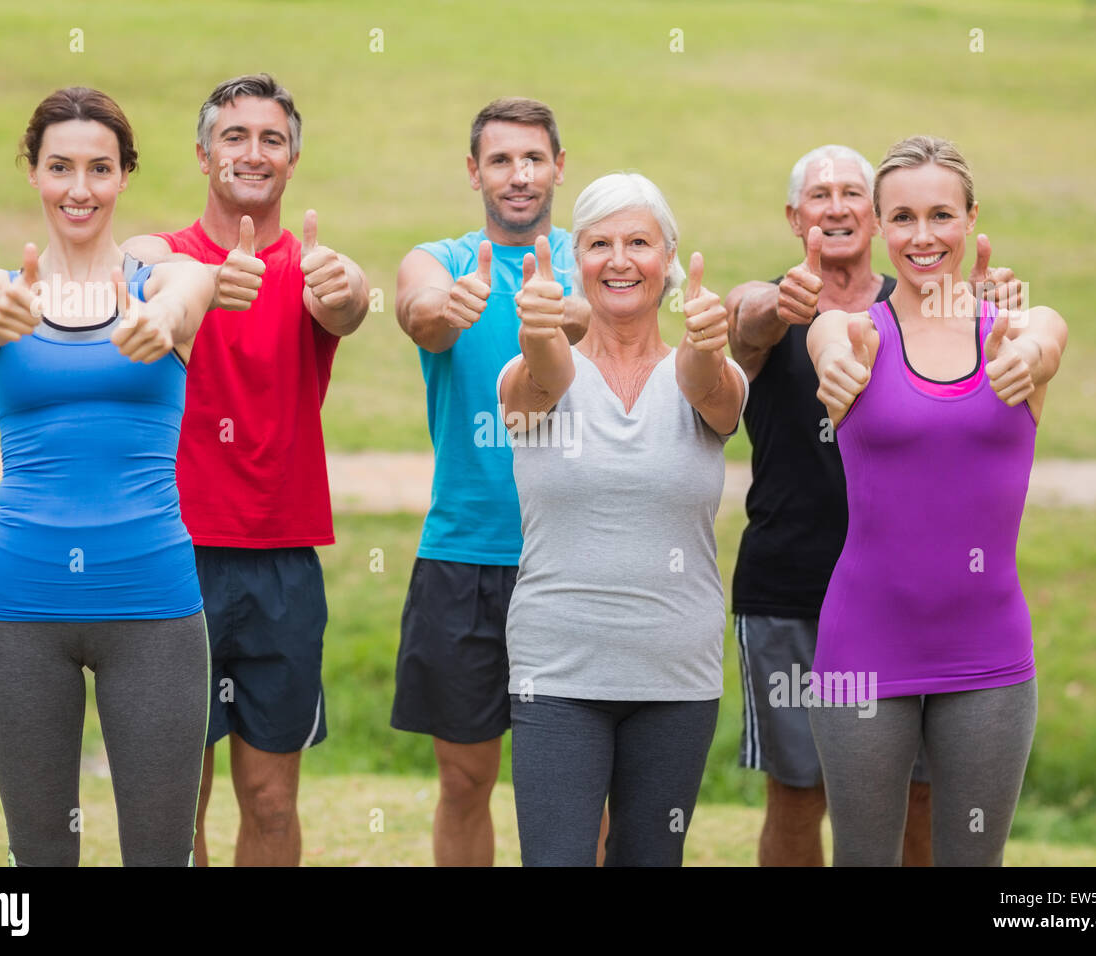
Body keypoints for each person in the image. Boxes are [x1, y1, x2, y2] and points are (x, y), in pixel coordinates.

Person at [725, 144, 1022, 866]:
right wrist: (788, 312)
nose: (835, 207)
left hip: (919, 601)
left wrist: (1001, 317)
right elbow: (745, 324)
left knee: (924, 797)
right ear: (795, 217)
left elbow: (1003, 350)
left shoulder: (927, 305)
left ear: (877, 217)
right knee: (797, 793)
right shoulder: (778, 304)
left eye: (851, 193)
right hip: (794, 590)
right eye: (817, 196)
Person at [0, 87, 215, 866]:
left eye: (100, 168)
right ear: (32, 172)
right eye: (59, 166)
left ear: (125, 175)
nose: (79, 188)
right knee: (38, 853)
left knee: (163, 853)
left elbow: (188, 294)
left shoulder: (167, 285)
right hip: (18, 607)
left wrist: (162, 321)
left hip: (155, 607)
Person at [121, 73, 370, 866]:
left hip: (281, 566)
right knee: (172, 806)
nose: (253, 152)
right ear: (202, 154)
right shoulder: (163, 262)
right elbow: (135, 263)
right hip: (172, 557)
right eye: (235, 136)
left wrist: (347, 288)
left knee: (269, 803)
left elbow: (350, 304)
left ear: (292, 161)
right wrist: (171, 275)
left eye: (272, 139)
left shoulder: (314, 268)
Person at [805, 135, 1067, 866]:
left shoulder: (1015, 333)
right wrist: (833, 369)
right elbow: (825, 345)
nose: (923, 236)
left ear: (972, 220)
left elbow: (1050, 332)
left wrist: (1031, 351)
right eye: (903, 217)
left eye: (942, 215)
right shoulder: (852, 332)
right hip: (863, 645)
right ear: (881, 228)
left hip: (988, 657)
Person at [499, 172, 747, 866]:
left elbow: (708, 388)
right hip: (557, 674)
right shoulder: (528, 377)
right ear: (576, 261)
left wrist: (705, 341)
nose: (619, 259)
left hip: (675, 676)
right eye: (599, 244)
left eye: (638, 242)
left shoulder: (711, 378)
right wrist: (538, 331)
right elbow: (543, 378)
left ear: (668, 259)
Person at [391, 97, 592, 866]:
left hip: (576, 554)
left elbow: (624, 311)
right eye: (501, 160)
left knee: (582, 784)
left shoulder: (596, 254)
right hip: (464, 553)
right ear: (474, 170)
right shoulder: (438, 259)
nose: (519, 176)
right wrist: (450, 306)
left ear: (559, 167)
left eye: (534, 158)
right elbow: (420, 313)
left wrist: (572, 313)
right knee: (465, 778)